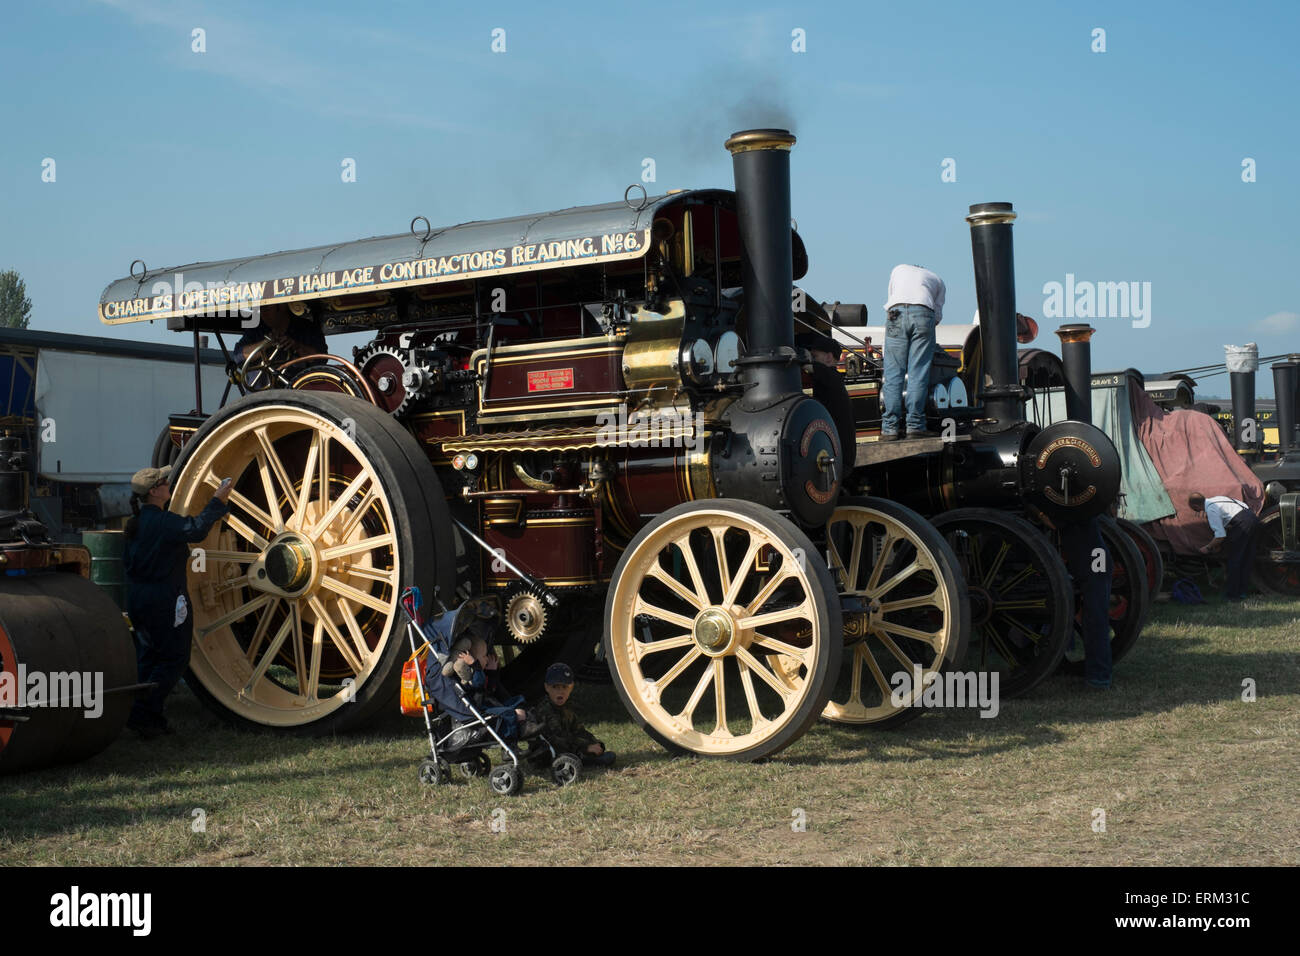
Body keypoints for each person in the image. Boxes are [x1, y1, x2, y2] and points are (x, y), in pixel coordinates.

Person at [123, 465, 231, 738]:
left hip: (137, 596)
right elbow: (195, 530)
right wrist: (217, 501)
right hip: (164, 598)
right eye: (164, 481)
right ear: (155, 491)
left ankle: (141, 715)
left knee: (148, 656)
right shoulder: (163, 522)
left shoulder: (134, 524)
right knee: (175, 657)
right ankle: (147, 713)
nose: (169, 482)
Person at [881, 264, 945, 441]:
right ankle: (915, 426)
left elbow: (892, 297)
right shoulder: (938, 280)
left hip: (896, 312)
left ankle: (889, 429)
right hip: (924, 312)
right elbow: (937, 317)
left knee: (893, 374)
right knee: (918, 373)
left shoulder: (898, 269)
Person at [530, 662, 615, 766]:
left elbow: (578, 729)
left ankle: (588, 755)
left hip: (565, 746)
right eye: (555, 687)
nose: (560, 691)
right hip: (546, 753)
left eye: (565, 687)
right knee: (572, 750)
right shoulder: (546, 709)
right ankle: (586, 759)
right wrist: (585, 747)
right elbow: (558, 738)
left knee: (596, 746)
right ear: (547, 687)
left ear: (571, 687)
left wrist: (593, 741)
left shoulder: (566, 707)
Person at [797, 332, 857, 473]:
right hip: (837, 454)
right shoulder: (832, 379)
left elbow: (811, 367)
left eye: (815, 356)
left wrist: (802, 358)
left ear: (829, 357)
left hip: (839, 458)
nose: (813, 359)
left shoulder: (830, 376)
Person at [1189, 492, 1260, 600]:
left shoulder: (1211, 509)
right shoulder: (1217, 498)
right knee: (1246, 559)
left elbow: (1220, 536)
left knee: (1234, 560)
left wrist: (1207, 547)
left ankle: (1232, 595)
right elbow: (1241, 508)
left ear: (1196, 506)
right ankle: (1242, 592)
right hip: (1252, 518)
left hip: (1243, 523)